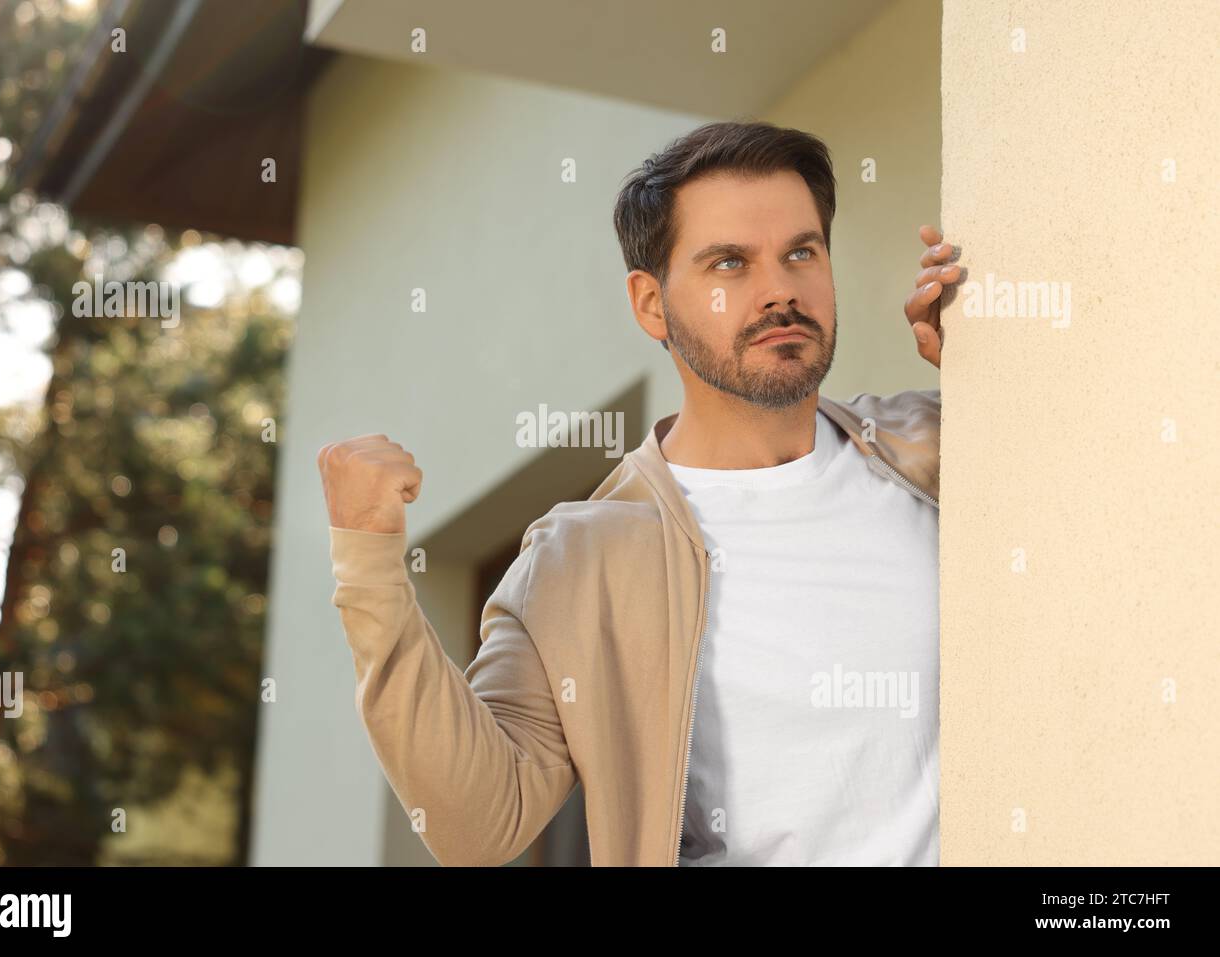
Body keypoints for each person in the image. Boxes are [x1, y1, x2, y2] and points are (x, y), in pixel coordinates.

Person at [317, 121, 961, 866]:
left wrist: (995, 371)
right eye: (729, 263)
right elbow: (477, 825)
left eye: (801, 252)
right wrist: (367, 564)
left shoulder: (927, 447)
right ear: (651, 304)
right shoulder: (584, 559)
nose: (780, 289)